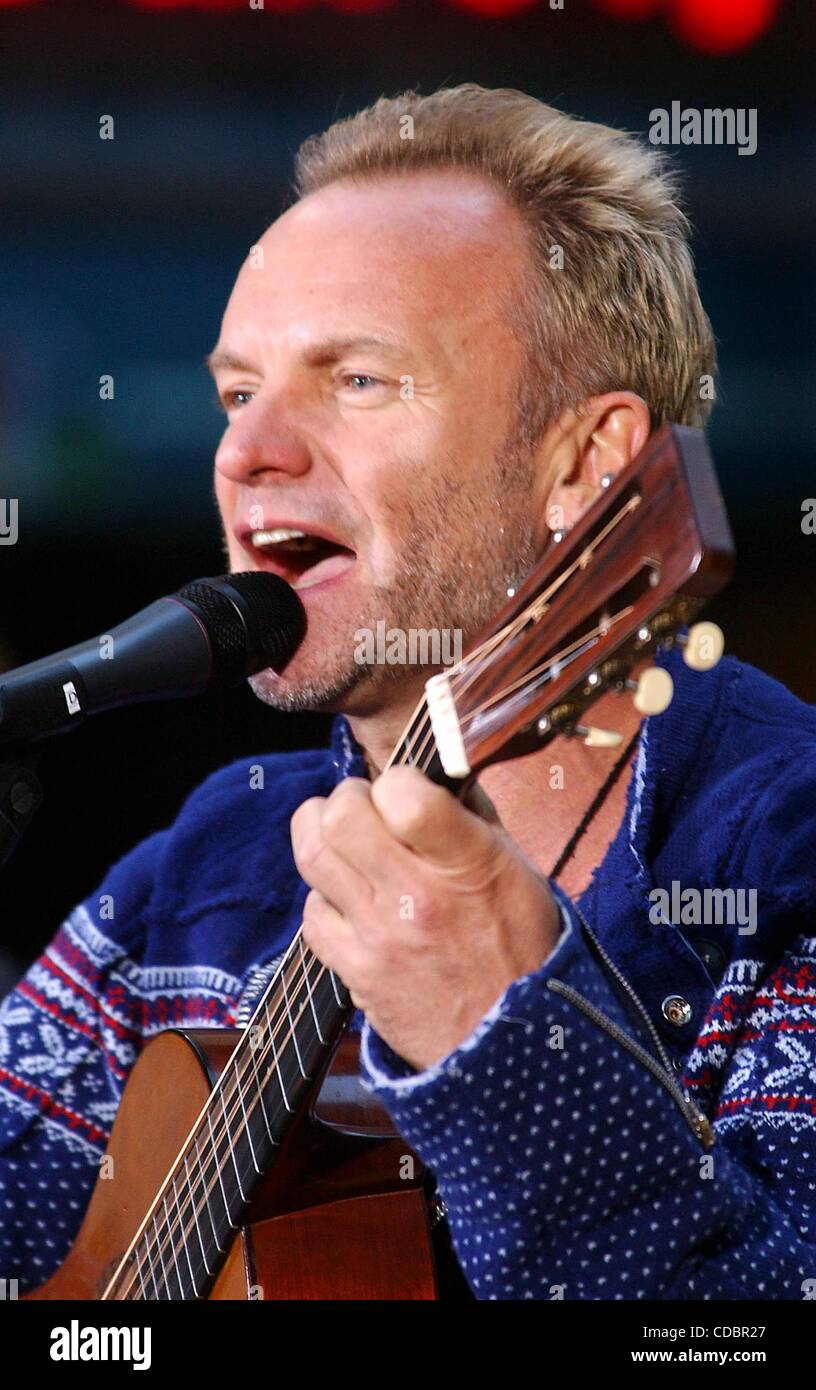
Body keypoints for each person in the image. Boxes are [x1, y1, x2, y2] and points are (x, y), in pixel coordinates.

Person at [1, 84, 814, 1301]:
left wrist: (514, 1052)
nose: (247, 451)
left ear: (584, 465)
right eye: (237, 391)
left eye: (359, 380)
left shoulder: (780, 852)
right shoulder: (206, 870)